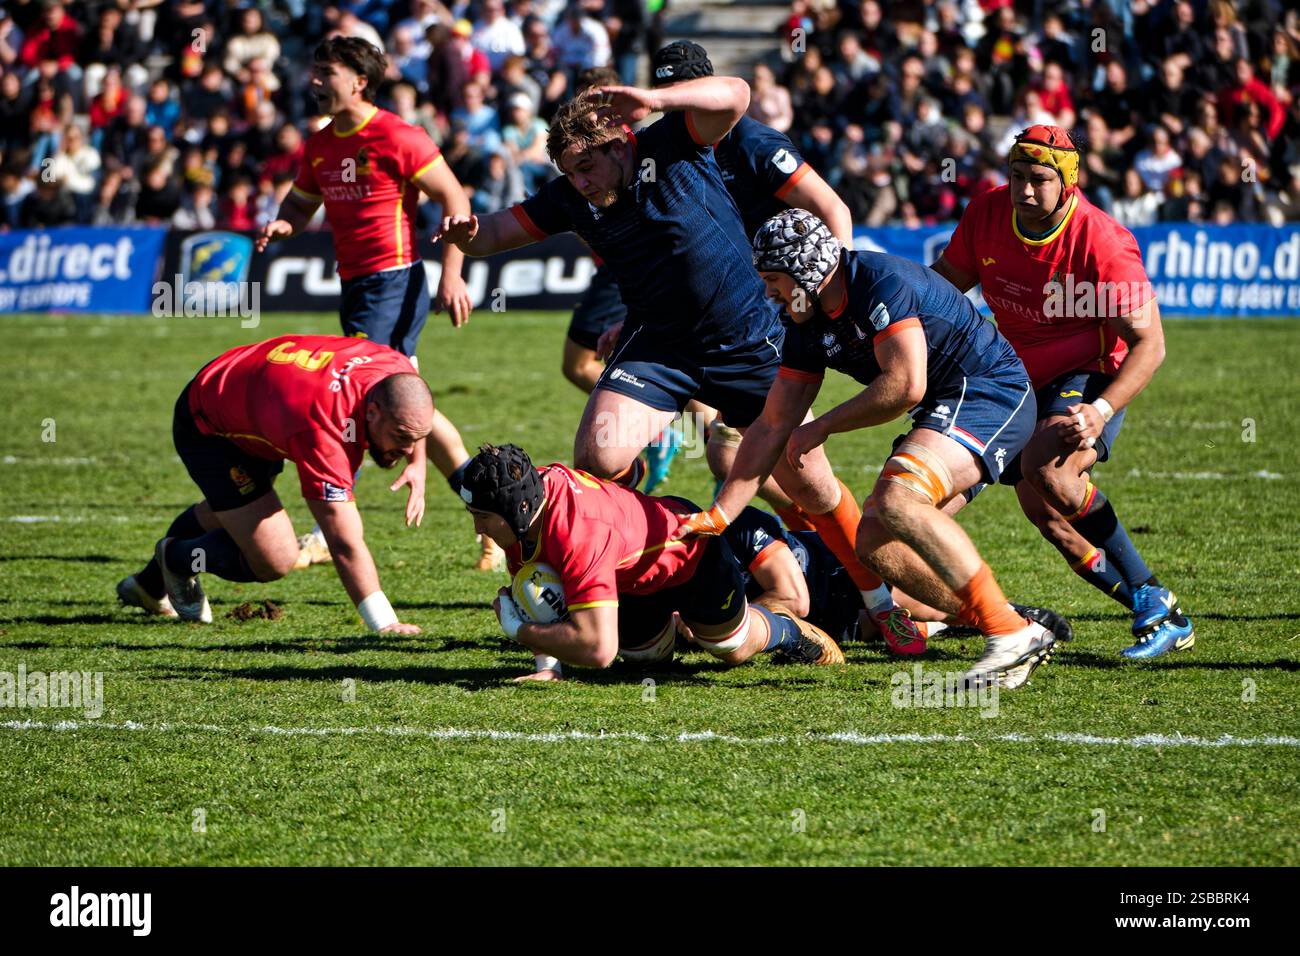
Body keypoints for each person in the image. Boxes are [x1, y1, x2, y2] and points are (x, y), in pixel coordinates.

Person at [439, 71, 926, 654]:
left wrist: (654, 100)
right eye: (568, 173)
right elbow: (497, 232)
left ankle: (880, 604)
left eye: (586, 167)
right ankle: (647, 564)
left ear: (619, 143)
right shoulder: (572, 196)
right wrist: (468, 235)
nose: (580, 183)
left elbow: (738, 94)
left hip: (750, 342)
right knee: (598, 455)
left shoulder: (672, 141)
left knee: (812, 490)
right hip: (661, 347)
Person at [694, 208, 1064, 688]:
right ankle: (1008, 624)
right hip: (944, 407)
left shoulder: (877, 282)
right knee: (872, 544)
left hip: (990, 391)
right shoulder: (805, 323)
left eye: (773, 279)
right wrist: (720, 514)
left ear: (805, 270)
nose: (768, 293)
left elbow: (905, 384)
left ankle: (1007, 632)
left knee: (897, 498)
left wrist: (821, 427)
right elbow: (771, 426)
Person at [931, 125, 1194, 659]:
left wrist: (1101, 410)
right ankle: (1162, 614)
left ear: (1068, 183)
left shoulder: (1102, 240)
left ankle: (1152, 595)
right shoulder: (986, 212)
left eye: (1040, 180)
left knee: (1048, 468)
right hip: (1014, 372)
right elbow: (941, 289)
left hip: (1091, 372)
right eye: (1017, 177)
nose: (1025, 191)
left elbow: (1150, 344)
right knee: (1011, 504)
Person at [255, 37, 495, 571]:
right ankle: (494, 516)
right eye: (314, 70)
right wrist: (284, 222)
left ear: (359, 81)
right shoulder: (320, 145)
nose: (314, 80)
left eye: (325, 71)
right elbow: (301, 198)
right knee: (413, 413)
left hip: (393, 283)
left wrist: (451, 278)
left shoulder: (396, 136)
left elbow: (456, 199)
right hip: (358, 287)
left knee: (355, 400)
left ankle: (325, 529)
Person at [116, 336, 430, 635]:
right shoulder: (327, 431)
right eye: (402, 437)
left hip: (254, 395)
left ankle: (147, 585)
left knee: (233, 513)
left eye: (415, 438)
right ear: (372, 412)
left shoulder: (395, 369)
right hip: (210, 421)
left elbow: (419, 412)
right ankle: (176, 559)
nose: (407, 448)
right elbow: (343, 541)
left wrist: (417, 462)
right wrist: (385, 623)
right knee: (276, 557)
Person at [461, 444, 843, 683]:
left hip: (692, 557)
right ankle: (676, 629)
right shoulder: (526, 500)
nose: (477, 528)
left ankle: (791, 632)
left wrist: (519, 631)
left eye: (481, 516)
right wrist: (550, 665)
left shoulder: (578, 531)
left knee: (732, 647)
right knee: (646, 659)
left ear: (519, 509)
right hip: (632, 575)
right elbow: (536, 584)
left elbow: (598, 650)